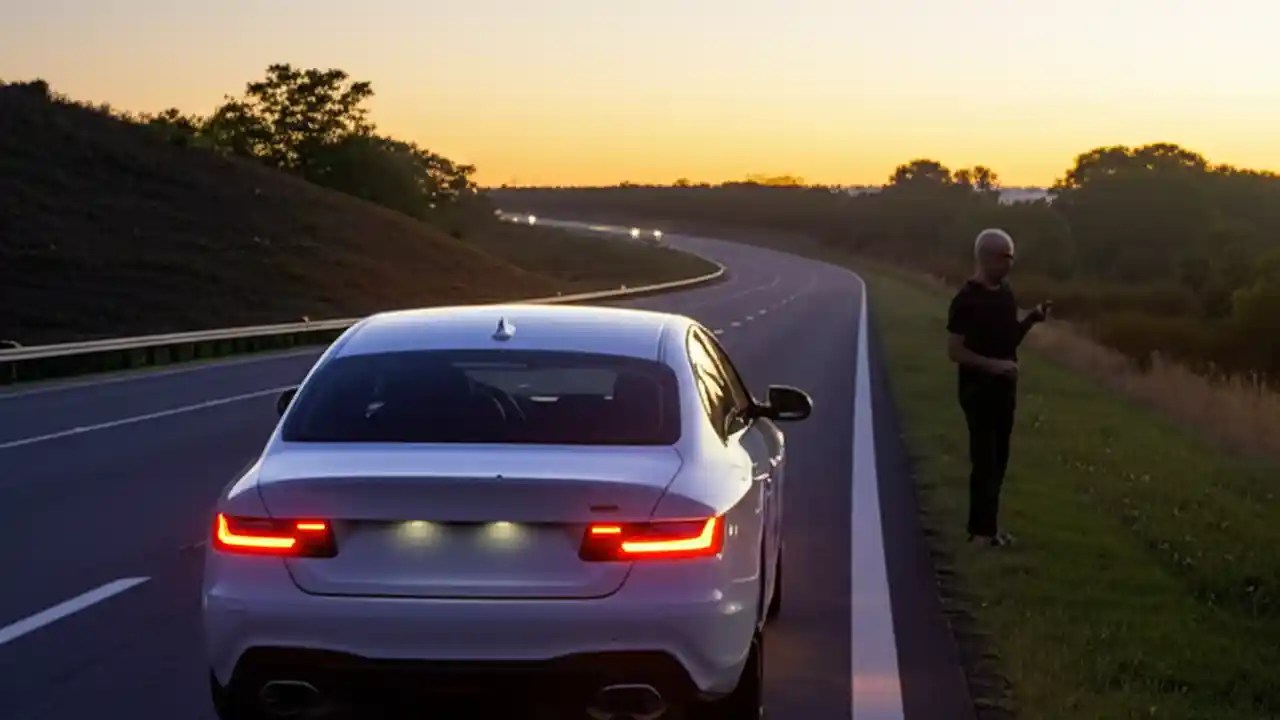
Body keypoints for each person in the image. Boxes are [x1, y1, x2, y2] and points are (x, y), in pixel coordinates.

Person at [946, 228, 1051, 547]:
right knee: (985, 460)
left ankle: (990, 529)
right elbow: (955, 351)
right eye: (1005, 257)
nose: (1010, 264)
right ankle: (979, 532)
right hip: (977, 392)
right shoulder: (966, 299)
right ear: (987, 258)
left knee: (1000, 460)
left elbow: (1009, 340)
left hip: (1005, 390)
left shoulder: (1005, 294)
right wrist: (994, 366)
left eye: (1011, 257)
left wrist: (1031, 319)